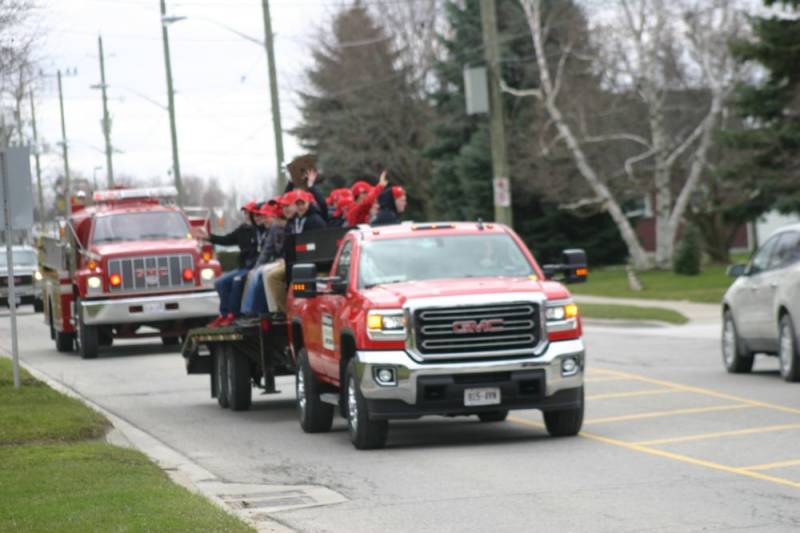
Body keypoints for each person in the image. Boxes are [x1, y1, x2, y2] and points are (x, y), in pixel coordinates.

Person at [264, 190, 325, 317]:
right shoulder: (295, 220)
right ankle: (284, 311)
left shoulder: (315, 220)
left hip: (309, 263)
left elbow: (316, 246)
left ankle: (291, 312)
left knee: (293, 283)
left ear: (308, 203)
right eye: (297, 204)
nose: (300, 207)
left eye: (302, 203)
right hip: (295, 261)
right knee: (272, 277)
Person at [207, 202, 260, 327]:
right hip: (243, 267)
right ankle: (224, 314)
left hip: (254, 267)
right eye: (245, 213)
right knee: (220, 282)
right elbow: (226, 240)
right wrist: (208, 237)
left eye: (250, 213)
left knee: (237, 280)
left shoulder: (259, 230)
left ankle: (234, 314)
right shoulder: (242, 229)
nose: (247, 215)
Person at [240, 201, 286, 316]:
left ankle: (272, 311)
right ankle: (250, 311)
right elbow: (266, 251)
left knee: (265, 273)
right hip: (278, 260)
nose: (263, 219)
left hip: (284, 261)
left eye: (266, 216)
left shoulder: (285, 225)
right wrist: (255, 268)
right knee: (255, 273)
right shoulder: (272, 229)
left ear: (275, 215)